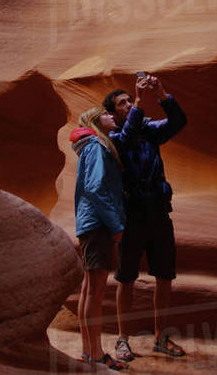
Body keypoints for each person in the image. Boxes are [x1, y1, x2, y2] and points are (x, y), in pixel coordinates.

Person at [105, 75, 188, 362]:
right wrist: (140, 102)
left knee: (165, 276)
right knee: (125, 278)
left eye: (130, 100)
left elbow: (178, 122)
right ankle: (122, 340)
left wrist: (162, 93)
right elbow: (126, 140)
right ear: (113, 113)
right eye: (122, 103)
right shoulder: (115, 137)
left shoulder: (149, 130)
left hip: (158, 212)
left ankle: (161, 337)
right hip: (131, 216)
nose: (128, 104)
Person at [71, 106, 130, 371]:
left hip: (89, 224)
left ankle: (88, 352)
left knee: (88, 290)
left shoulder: (89, 147)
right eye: (107, 114)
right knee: (95, 293)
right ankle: (95, 354)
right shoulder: (96, 146)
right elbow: (95, 188)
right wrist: (115, 224)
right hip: (99, 225)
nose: (112, 117)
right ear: (96, 121)